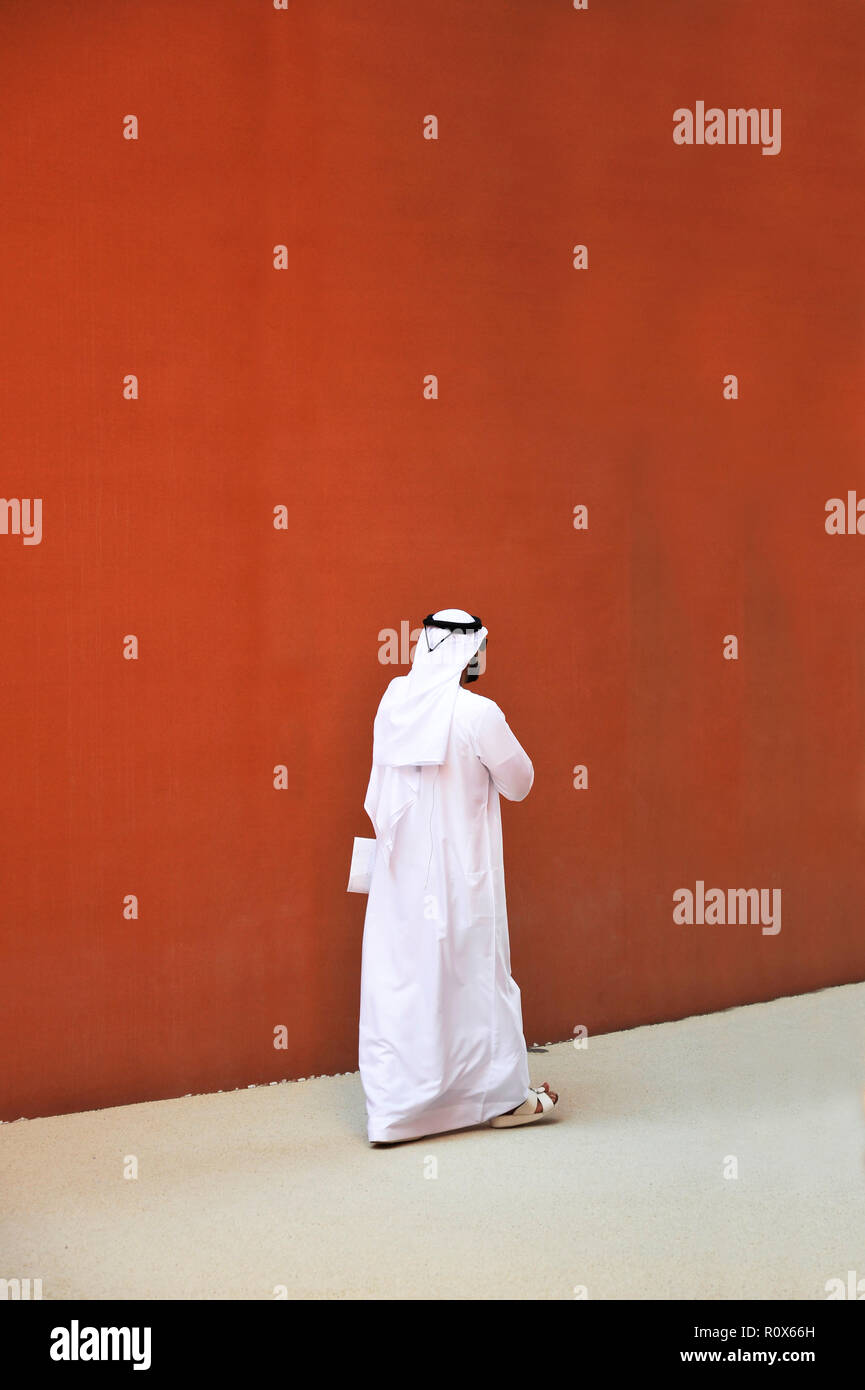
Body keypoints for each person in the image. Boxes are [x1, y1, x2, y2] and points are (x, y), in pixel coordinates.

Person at [358, 607, 558, 1144]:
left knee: (404, 985)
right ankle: (504, 1098)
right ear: (471, 653)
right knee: (475, 981)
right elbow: (520, 783)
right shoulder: (479, 713)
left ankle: (394, 1116)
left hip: (398, 880)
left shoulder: (393, 703)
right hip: (461, 880)